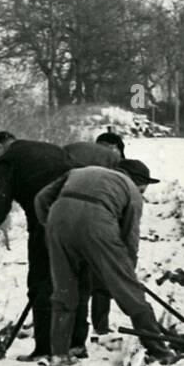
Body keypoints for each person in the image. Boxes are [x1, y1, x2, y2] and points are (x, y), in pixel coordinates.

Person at [37, 159, 175, 364]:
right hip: (98, 221)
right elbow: (130, 238)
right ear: (138, 182)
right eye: (144, 189)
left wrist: (50, 224)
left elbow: (41, 199)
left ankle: (59, 353)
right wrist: (127, 274)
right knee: (129, 292)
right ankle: (159, 351)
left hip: (58, 220)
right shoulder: (132, 192)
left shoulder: (81, 170)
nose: (143, 193)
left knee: (63, 290)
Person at [0, 131, 74, 360]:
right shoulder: (53, 148)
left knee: (41, 282)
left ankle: (45, 348)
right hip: (79, 217)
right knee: (72, 279)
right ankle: (75, 343)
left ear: (0, 147)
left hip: (45, 223)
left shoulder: (8, 159)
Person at [54, 131, 126, 341]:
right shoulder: (114, 164)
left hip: (66, 218)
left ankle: (71, 333)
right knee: (97, 279)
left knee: (74, 280)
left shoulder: (74, 153)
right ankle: (98, 327)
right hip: (96, 224)